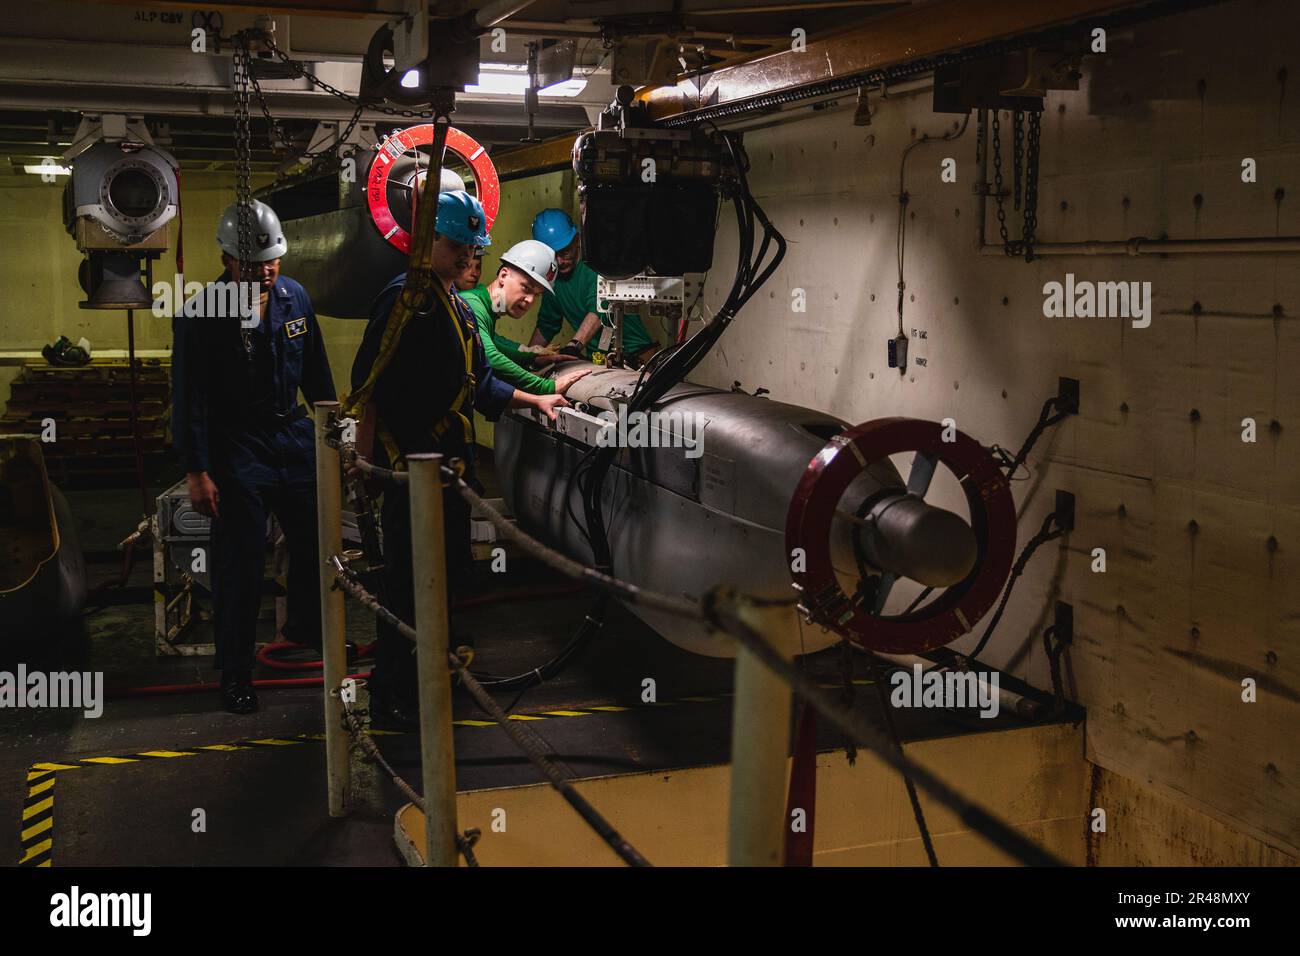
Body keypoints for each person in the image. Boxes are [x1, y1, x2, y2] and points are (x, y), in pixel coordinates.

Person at [348, 189, 570, 728]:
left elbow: (478, 379)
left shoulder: (451, 304)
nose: (469, 257)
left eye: (473, 249)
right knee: (406, 586)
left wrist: (535, 397)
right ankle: (391, 696)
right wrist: (363, 463)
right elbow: (367, 385)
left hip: (446, 469)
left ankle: (428, 679)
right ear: (428, 242)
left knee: (438, 582)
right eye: (459, 246)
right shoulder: (408, 299)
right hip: (412, 470)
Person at [172, 199, 336, 714]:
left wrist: (337, 440)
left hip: (292, 437)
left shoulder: (295, 298)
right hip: (237, 447)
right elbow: (190, 399)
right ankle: (236, 672)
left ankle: (308, 629)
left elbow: (318, 376)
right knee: (240, 562)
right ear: (226, 260)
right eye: (252, 263)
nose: (265, 271)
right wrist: (197, 471)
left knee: (318, 539)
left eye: (272, 260)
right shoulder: (201, 313)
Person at [528, 208, 660, 367]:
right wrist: (526, 358)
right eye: (552, 255)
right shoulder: (553, 279)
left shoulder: (596, 266)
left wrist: (573, 346)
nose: (560, 261)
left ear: (577, 239)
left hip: (637, 356)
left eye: (565, 252)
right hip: (599, 360)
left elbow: (599, 310)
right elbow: (546, 325)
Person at [459, 239, 592, 395]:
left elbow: (492, 345)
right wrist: (547, 387)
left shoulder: (488, 307)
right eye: (526, 288)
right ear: (503, 276)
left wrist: (532, 359)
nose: (530, 300)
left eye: (537, 294)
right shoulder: (473, 305)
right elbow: (490, 356)